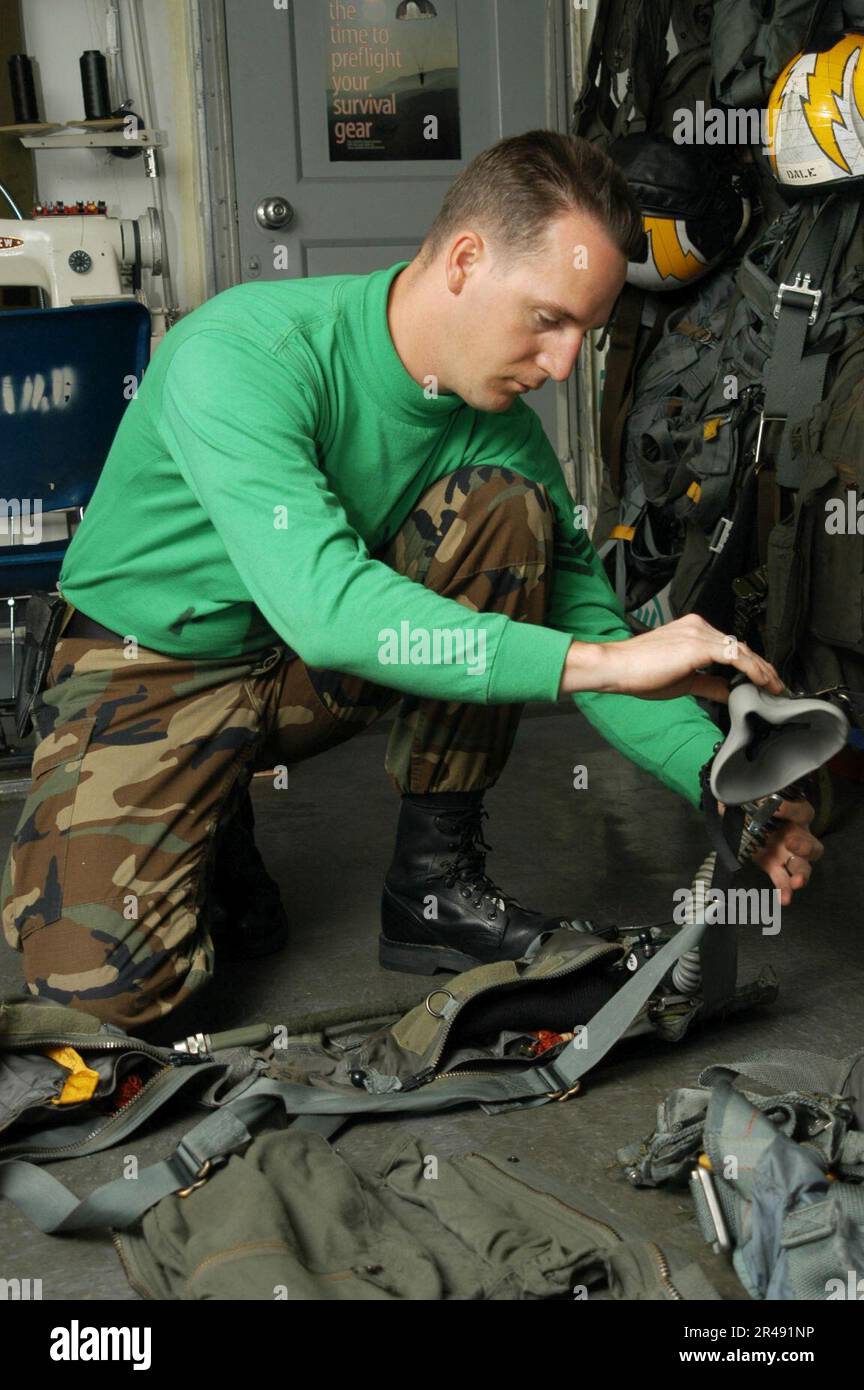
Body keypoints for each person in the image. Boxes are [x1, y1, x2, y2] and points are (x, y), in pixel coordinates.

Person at [0, 131, 822, 1031]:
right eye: (548, 319)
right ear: (466, 260)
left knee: (510, 511)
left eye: (586, 331)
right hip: (149, 664)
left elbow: (592, 623)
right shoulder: (241, 355)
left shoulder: (492, 422)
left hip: (297, 670)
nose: (561, 366)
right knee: (102, 995)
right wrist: (603, 662)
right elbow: (331, 610)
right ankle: (207, 801)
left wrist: (722, 774)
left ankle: (435, 889)